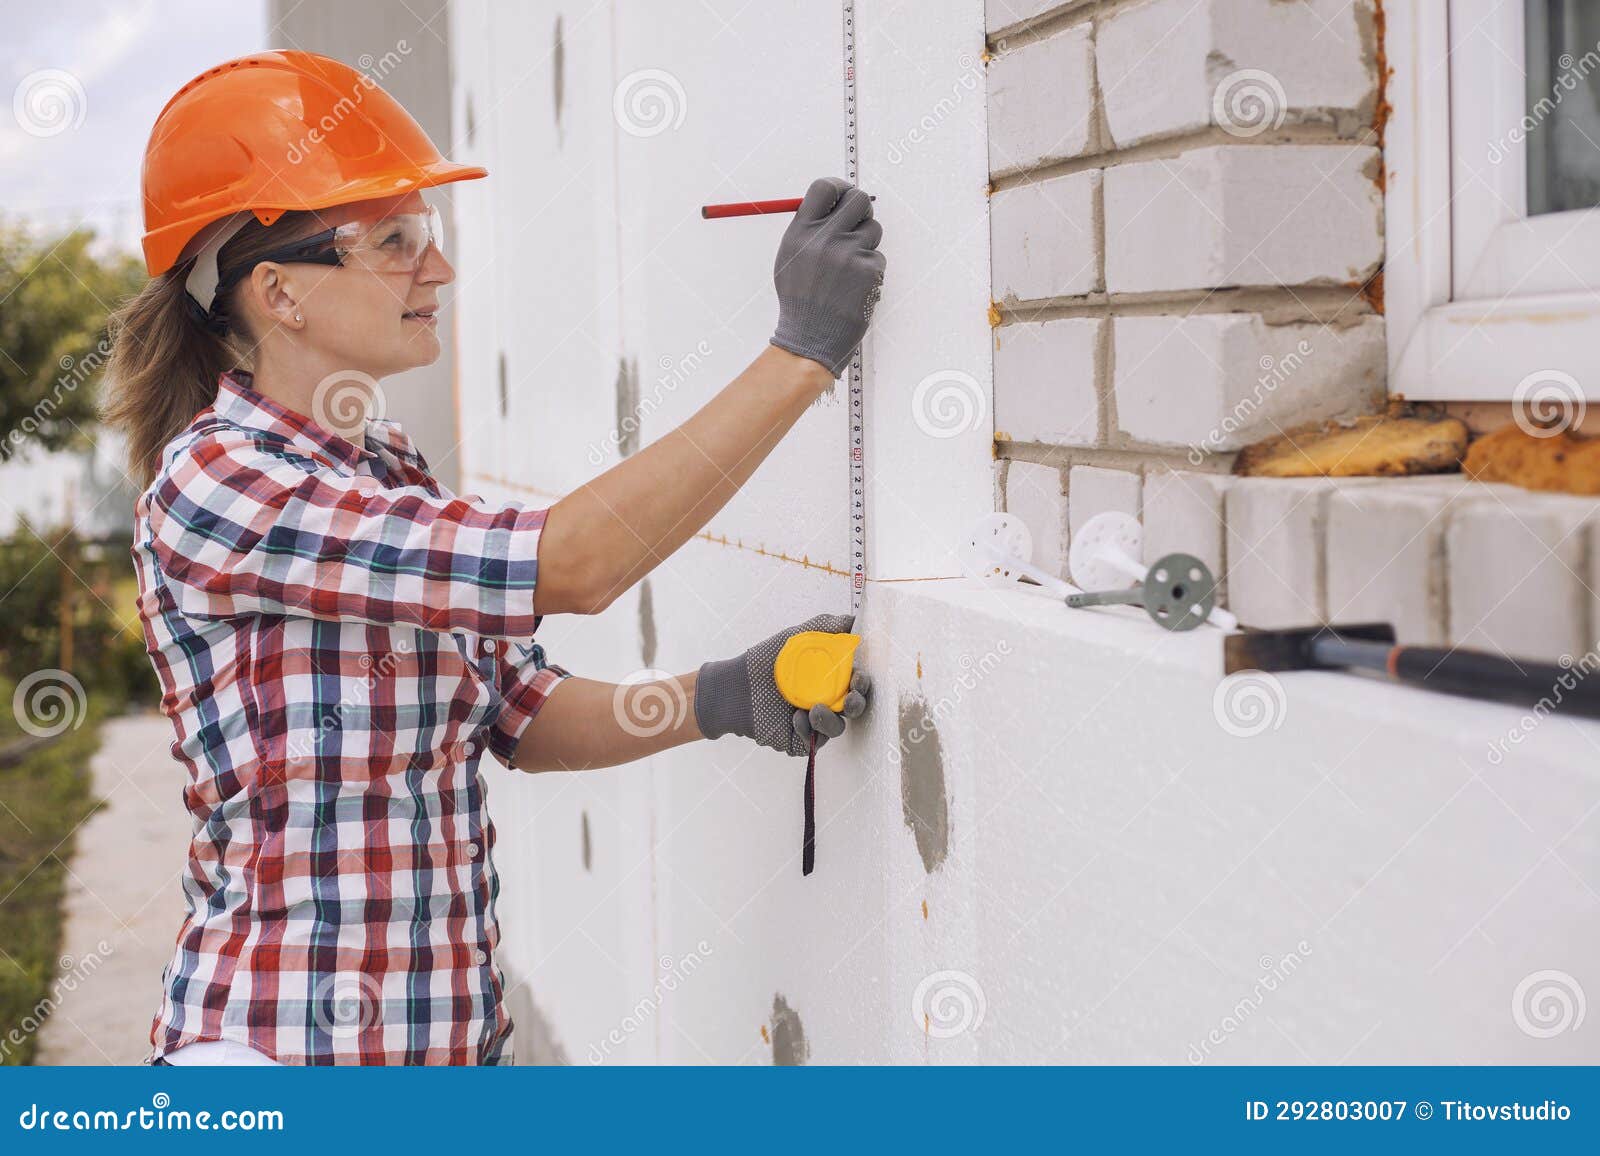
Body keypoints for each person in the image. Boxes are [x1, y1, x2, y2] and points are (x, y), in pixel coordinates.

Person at [100, 49, 884, 1066]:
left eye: (425, 234)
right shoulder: (220, 483)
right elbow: (576, 561)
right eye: (397, 240)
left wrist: (719, 695)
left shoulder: (383, 468)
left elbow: (514, 713)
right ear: (279, 293)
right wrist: (800, 355)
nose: (439, 269)